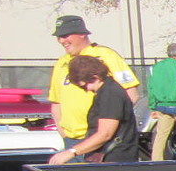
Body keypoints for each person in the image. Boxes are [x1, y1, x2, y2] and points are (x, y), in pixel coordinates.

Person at [46, 15, 141, 148]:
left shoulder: (106, 56)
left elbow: (132, 94)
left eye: (66, 35)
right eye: (59, 37)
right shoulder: (61, 64)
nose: (62, 40)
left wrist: (110, 129)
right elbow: (56, 102)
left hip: (103, 140)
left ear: (81, 34)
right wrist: (64, 133)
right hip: (72, 141)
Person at [47, 55, 140, 164]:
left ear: (96, 77)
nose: (86, 90)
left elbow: (105, 134)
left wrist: (72, 152)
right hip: (109, 158)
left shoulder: (110, 94)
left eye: (84, 86)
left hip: (115, 160)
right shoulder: (105, 91)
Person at [148, 42, 176, 160]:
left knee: (161, 135)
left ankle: (156, 160)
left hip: (162, 106)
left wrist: (153, 106)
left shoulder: (155, 68)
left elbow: (151, 88)